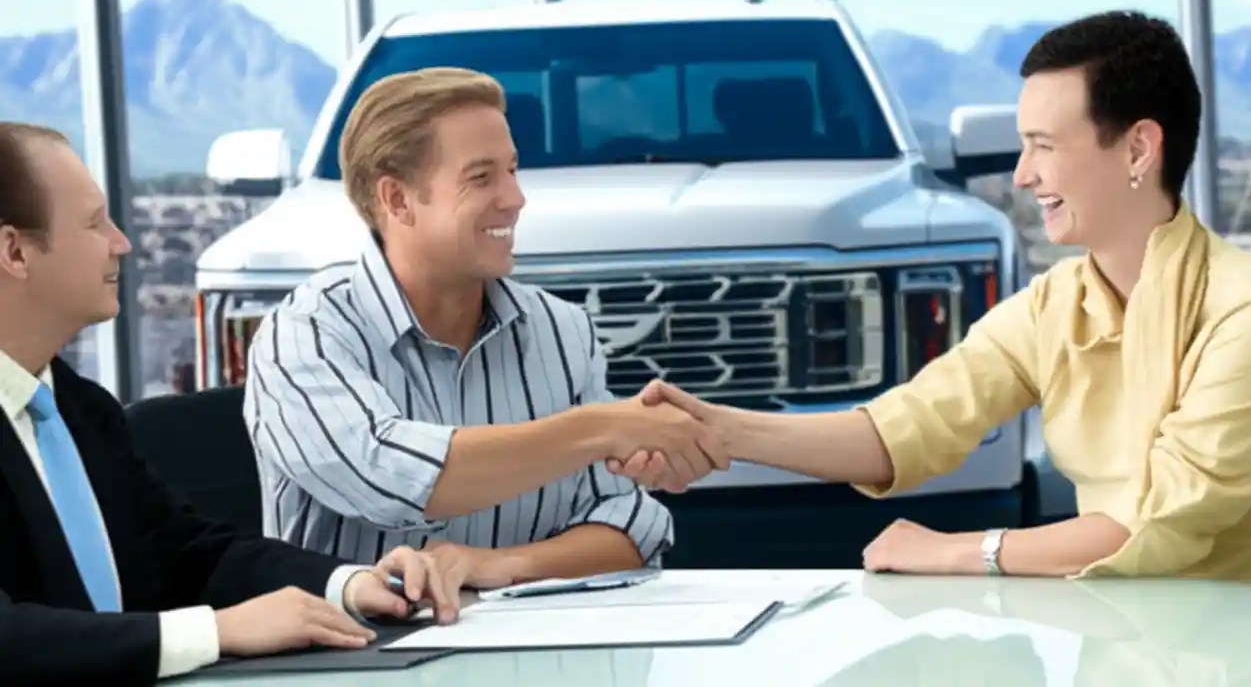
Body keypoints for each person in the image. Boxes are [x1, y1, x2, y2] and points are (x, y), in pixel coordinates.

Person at [621, 11, 1251, 585]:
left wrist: (957, 550)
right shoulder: (1054, 306)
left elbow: (1154, 526)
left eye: (1044, 146)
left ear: (1138, 148)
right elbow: (903, 429)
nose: (1022, 175)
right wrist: (722, 429)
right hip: (1117, 645)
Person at [0, 122, 464, 683]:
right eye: (95, 223)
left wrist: (351, 583)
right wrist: (215, 632)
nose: (122, 242)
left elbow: (185, 552)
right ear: (14, 251)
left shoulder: (78, 408)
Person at [243, 67, 727, 605]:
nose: (515, 198)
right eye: (481, 178)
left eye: (513, 170)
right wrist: (601, 427)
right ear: (397, 200)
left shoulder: (562, 331)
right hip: (359, 649)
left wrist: (493, 566)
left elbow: (630, 526)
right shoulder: (306, 333)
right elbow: (384, 473)